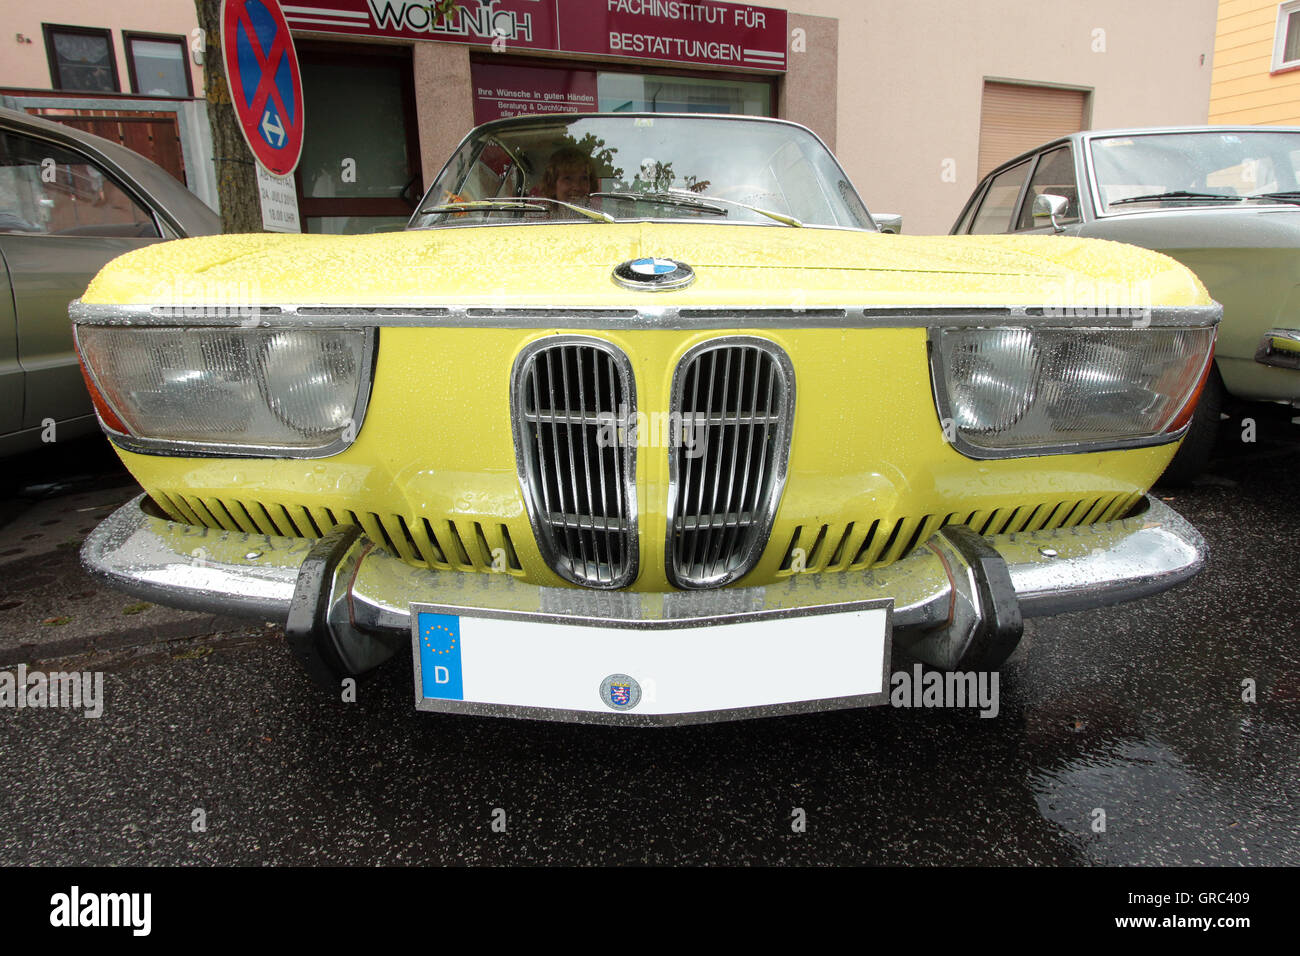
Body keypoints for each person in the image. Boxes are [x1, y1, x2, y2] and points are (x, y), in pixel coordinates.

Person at [536, 146, 599, 214]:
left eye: (584, 178)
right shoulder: (537, 218)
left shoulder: (604, 219)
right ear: (552, 185)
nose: (577, 187)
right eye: (568, 178)